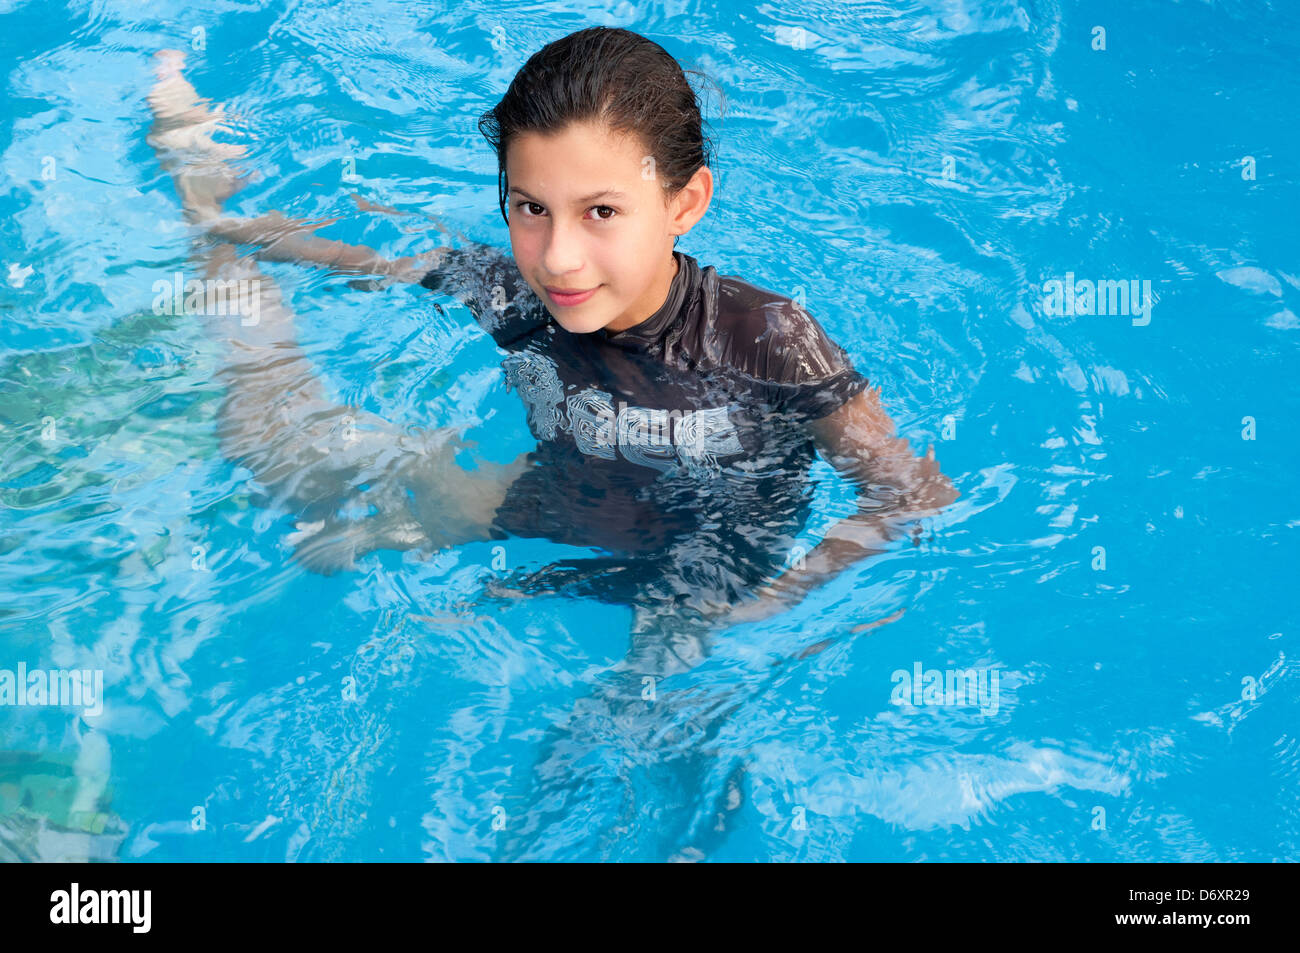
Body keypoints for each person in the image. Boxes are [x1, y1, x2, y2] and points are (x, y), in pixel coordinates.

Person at [146, 27, 957, 676]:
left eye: (601, 211)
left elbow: (911, 494)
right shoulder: (516, 297)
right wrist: (228, 227)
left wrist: (782, 598)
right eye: (531, 208)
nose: (558, 256)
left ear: (685, 202)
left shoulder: (768, 340)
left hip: (700, 575)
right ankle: (200, 167)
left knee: (630, 744)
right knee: (282, 446)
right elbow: (374, 255)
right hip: (556, 501)